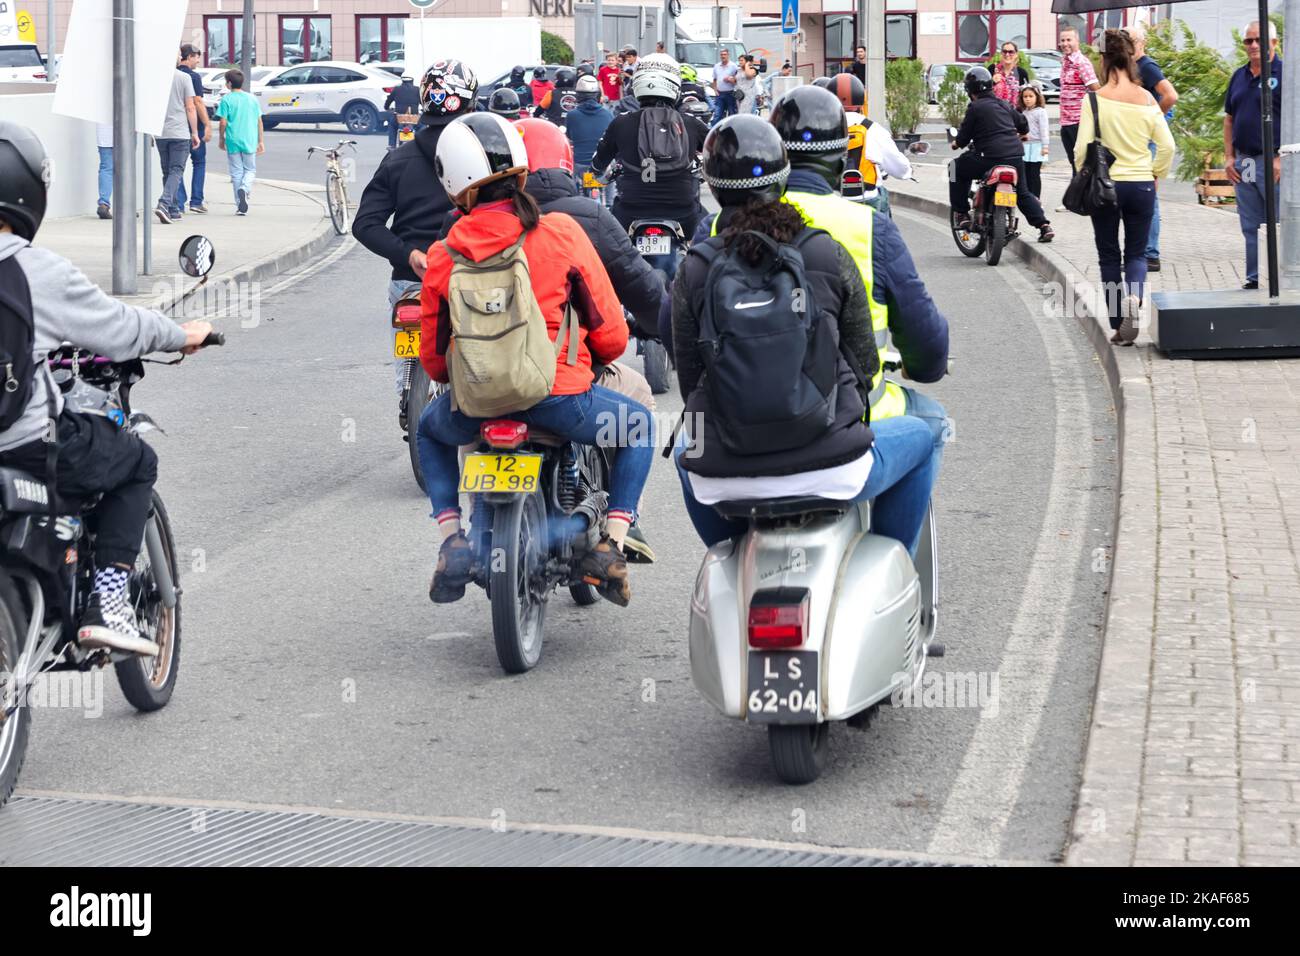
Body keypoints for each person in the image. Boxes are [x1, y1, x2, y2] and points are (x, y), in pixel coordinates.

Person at [671, 115, 940, 557]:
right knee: (925, 435)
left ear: (713, 188)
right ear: (783, 178)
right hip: (833, 467)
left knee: (687, 452)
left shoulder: (695, 267)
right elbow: (863, 365)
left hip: (722, 479)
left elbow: (689, 380)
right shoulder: (823, 250)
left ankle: (734, 559)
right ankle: (895, 564)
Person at [416, 113, 654, 606]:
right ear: (521, 171)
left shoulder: (443, 253)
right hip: (560, 399)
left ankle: (452, 540)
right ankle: (610, 542)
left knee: (427, 429)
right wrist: (592, 361)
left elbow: (436, 363)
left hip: (476, 405)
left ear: (454, 186)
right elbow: (609, 331)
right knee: (639, 427)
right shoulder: (562, 232)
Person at [0, 122, 214, 653]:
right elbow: (121, 329)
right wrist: (180, 334)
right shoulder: (34, 271)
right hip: (25, 447)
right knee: (135, 460)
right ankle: (109, 600)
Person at [513, 117, 664, 561]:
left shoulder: (470, 220)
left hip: (481, 384)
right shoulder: (583, 221)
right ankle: (619, 527)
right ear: (564, 163)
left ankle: (464, 534)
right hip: (563, 383)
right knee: (639, 411)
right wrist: (661, 327)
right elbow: (640, 298)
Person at [353, 59, 478, 400]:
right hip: (472, 277)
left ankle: (408, 392)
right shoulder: (485, 158)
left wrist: (410, 254)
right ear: (470, 103)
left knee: (409, 352)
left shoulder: (397, 160)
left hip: (410, 280)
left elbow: (365, 224)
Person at [1072, 29, 1174, 346]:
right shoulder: (1146, 98)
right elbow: (1167, 146)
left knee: (1107, 255)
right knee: (1137, 252)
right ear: (1131, 58)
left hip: (1106, 186)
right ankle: (1136, 297)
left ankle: (1119, 325)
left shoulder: (1095, 100)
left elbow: (1081, 148)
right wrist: (1156, 173)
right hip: (1141, 184)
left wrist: (1083, 176)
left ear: (1103, 60)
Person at [591, 54, 709, 249]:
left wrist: (596, 174)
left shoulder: (620, 123)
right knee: (710, 242)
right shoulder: (691, 123)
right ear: (674, 85)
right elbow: (718, 153)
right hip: (684, 214)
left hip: (629, 214)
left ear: (637, 83)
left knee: (605, 251)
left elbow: (597, 165)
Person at [950, 66, 1055, 243]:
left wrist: (956, 143)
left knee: (954, 167)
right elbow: (1023, 125)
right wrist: (1020, 134)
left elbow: (963, 137)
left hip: (987, 158)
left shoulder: (975, 107)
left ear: (970, 90)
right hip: (1014, 157)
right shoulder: (1004, 104)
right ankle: (1044, 226)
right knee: (1022, 193)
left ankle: (961, 213)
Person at [1224, 19, 1280, 291]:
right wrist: (1228, 156)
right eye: (1249, 40)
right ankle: (1254, 277)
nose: (1253, 45)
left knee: (1278, 223)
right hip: (1244, 160)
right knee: (1250, 222)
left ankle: (1280, 278)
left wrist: (1281, 157)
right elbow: (1229, 119)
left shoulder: (1286, 73)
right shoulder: (1239, 75)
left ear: (1274, 42)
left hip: (1273, 161)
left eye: (1259, 40)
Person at [1126, 22, 1177, 272]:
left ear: (1142, 43)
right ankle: (1143, 252)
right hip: (1136, 140)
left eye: (1133, 41)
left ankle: (1151, 254)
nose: (1128, 46)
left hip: (1147, 141)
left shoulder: (1147, 66)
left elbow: (1171, 96)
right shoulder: (1131, 67)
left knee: (1149, 198)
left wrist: (1152, 120)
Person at [155, 57, 201, 224]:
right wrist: (195, 132)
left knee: (167, 171)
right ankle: (164, 203)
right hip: (179, 131)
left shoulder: (157, 79)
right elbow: (190, 107)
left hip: (161, 132)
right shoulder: (184, 78)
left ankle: (173, 210)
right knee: (176, 170)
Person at [214, 68, 264, 216]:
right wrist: (260, 141)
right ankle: (245, 188)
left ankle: (239, 204)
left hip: (233, 139)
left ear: (229, 83)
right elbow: (259, 121)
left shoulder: (227, 99)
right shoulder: (252, 99)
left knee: (236, 172)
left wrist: (221, 139)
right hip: (249, 138)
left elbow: (223, 122)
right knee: (250, 170)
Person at [1057, 26, 1100, 190]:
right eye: (1063, 40)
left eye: (1069, 40)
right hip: (1066, 121)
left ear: (1077, 41)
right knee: (1073, 161)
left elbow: (1095, 88)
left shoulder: (1081, 63)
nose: (1065, 43)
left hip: (1078, 121)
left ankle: (1084, 197)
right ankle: (1078, 198)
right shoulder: (1065, 62)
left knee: (1081, 161)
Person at [174, 44, 210, 216]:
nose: (197, 61)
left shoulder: (171, 75)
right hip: (193, 127)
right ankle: (196, 201)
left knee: (177, 166)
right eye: (196, 57)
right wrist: (207, 124)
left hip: (177, 126)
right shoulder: (193, 77)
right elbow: (197, 102)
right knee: (199, 162)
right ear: (188, 57)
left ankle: (179, 202)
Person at [565, 75, 613, 181]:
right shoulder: (608, 114)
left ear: (578, 95)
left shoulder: (572, 115)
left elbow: (569, 139)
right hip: (603, 165)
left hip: (581, 164)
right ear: (597, 94)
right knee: (611, 192)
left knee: (573, 187)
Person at [1018, 84, 1049, 199]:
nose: (1028, 99)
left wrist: (1045, 146)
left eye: (1031, 96)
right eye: (1025, 97)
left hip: (1037, 146)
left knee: (1034, 174)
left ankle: (1036, 197)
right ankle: (1028, 197)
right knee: (1025, 173)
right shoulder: (1023, 112)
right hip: (1025, 146)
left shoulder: (1041, 112)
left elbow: (1044, 130)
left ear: (1037, 97)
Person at [383, 74, 421, 150]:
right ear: (412, 81)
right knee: (422, 127)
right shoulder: (417, 90)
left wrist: (386, 107)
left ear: (402, 81)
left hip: (399, 117)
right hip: (414, 117)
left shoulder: (396, 89)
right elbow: (422, 102)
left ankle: (392, 145)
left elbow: (389, 100)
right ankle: (421, 144)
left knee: (392, 125)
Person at [711, 48, 739, 123]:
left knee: (732, 113)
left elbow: (738, 80)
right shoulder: (716, 66)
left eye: (724, 54)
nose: (723, 56)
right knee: (717, 114)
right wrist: (715, 90)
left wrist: (730, 79)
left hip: (730, 93)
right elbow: (714, 79)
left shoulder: (733, 66)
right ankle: (714, 132)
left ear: (728, 55)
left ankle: (732, 130)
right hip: (719, 94)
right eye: (721, 55)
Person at [991, 41, 1022, 106]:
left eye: (1011, 52)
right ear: (1001, 54)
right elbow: (983, 92)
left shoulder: (1021, 72)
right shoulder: (992, 69)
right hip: (995, 111)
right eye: (1004, 51)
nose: (1007, 54)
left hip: (1014, 113)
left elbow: (1026, 95)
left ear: (1016, 54)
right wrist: (992, 82)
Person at [95, 122, 113, 219]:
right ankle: (126, 206)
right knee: (126, 170)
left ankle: (103, 204)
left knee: (106, 169)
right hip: (126, 133)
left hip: (104, 133)